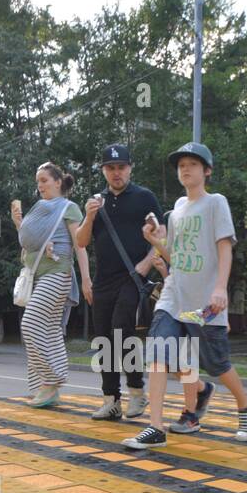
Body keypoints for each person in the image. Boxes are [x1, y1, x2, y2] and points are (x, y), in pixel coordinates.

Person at [123, 141, 247, 450]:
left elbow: (225, 247)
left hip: (205, 300)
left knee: (216, 362)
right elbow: (176, 257)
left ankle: (245, 404)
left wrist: (220, 288)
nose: (185, 168)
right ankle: (155, 427)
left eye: (193, 164)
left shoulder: (215, 203)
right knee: (157, 353)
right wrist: (154, 243)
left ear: (206, 171)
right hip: (174, 295)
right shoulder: (176, 211)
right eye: (181, 165)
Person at [73, 144, 164, 420]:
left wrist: (146, 265)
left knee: (121, 332)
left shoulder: (144, 197)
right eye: (110, 168)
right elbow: (80, 241)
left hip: (132, 278)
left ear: (130, 168)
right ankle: (111, 399)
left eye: (121, 167)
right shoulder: (95, 202)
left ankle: (136, 392)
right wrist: (89, 216)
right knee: (104, 340)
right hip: (103, 280)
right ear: (103, 170)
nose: (116, 173)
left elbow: (162, 234)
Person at [13, 162, 88, 407]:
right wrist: (19, 224)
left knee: (30, 324)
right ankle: (41, 389)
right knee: (51, 331)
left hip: (58, 274)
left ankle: (52, 380)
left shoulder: (69, 207)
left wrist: (87, 279)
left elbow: (80, 245)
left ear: (58, 181)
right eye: (38, 182)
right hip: (38, 276)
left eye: (44, 180)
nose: (40, 186)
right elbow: (29, 244)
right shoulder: (42, 210)